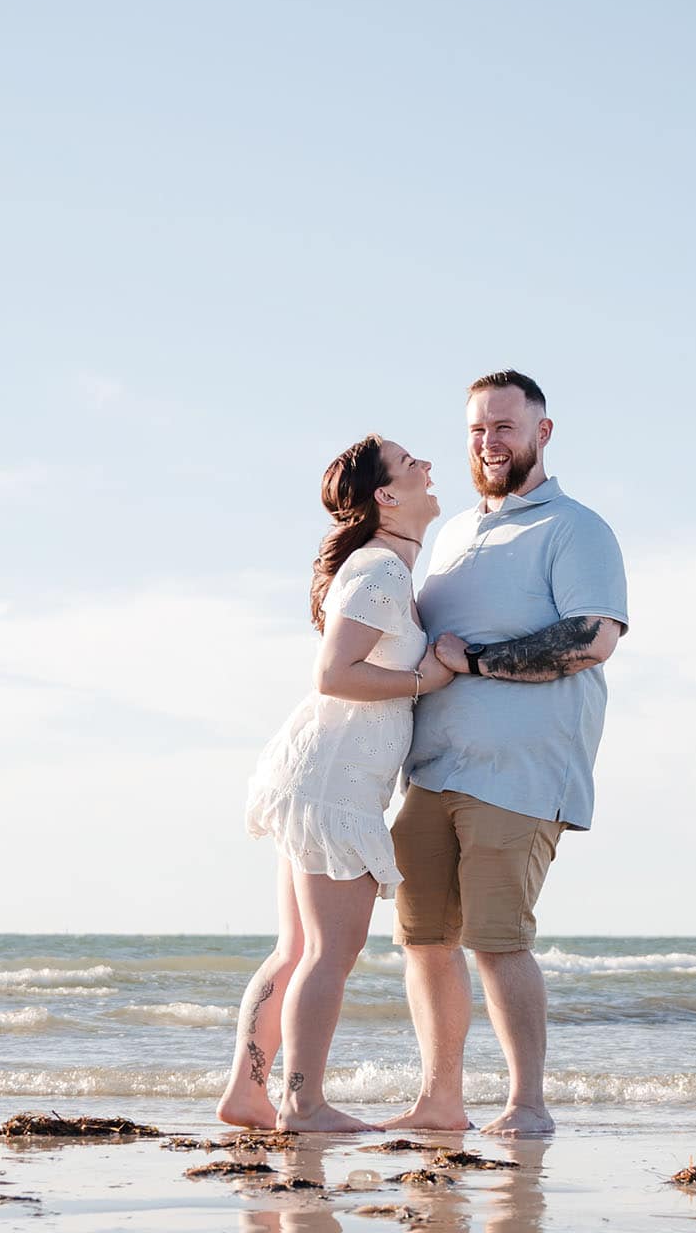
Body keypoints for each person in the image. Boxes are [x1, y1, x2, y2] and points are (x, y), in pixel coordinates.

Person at [384, 370, 628, 1138]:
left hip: (519, 775)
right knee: (424, 941)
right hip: (431, 773)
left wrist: (480, 661)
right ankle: (440, 1100)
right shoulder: (453, 533)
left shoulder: (575, 528)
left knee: (497, 941)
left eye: (504, 427)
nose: (488, 442)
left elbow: (593, 637)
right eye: (477, 429)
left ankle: (528, 1104)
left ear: (541, 433)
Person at [218, 437, 461, 1135]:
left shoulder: (385, 566)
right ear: (386, 495)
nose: (427, 467)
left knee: (298, 950)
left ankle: (248, 1095)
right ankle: (303, 1104)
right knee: (329, 952)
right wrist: (426, 679)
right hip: (333, 784)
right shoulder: (380, 567)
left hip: (321, 774)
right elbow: (333, 673)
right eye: (410, 463)